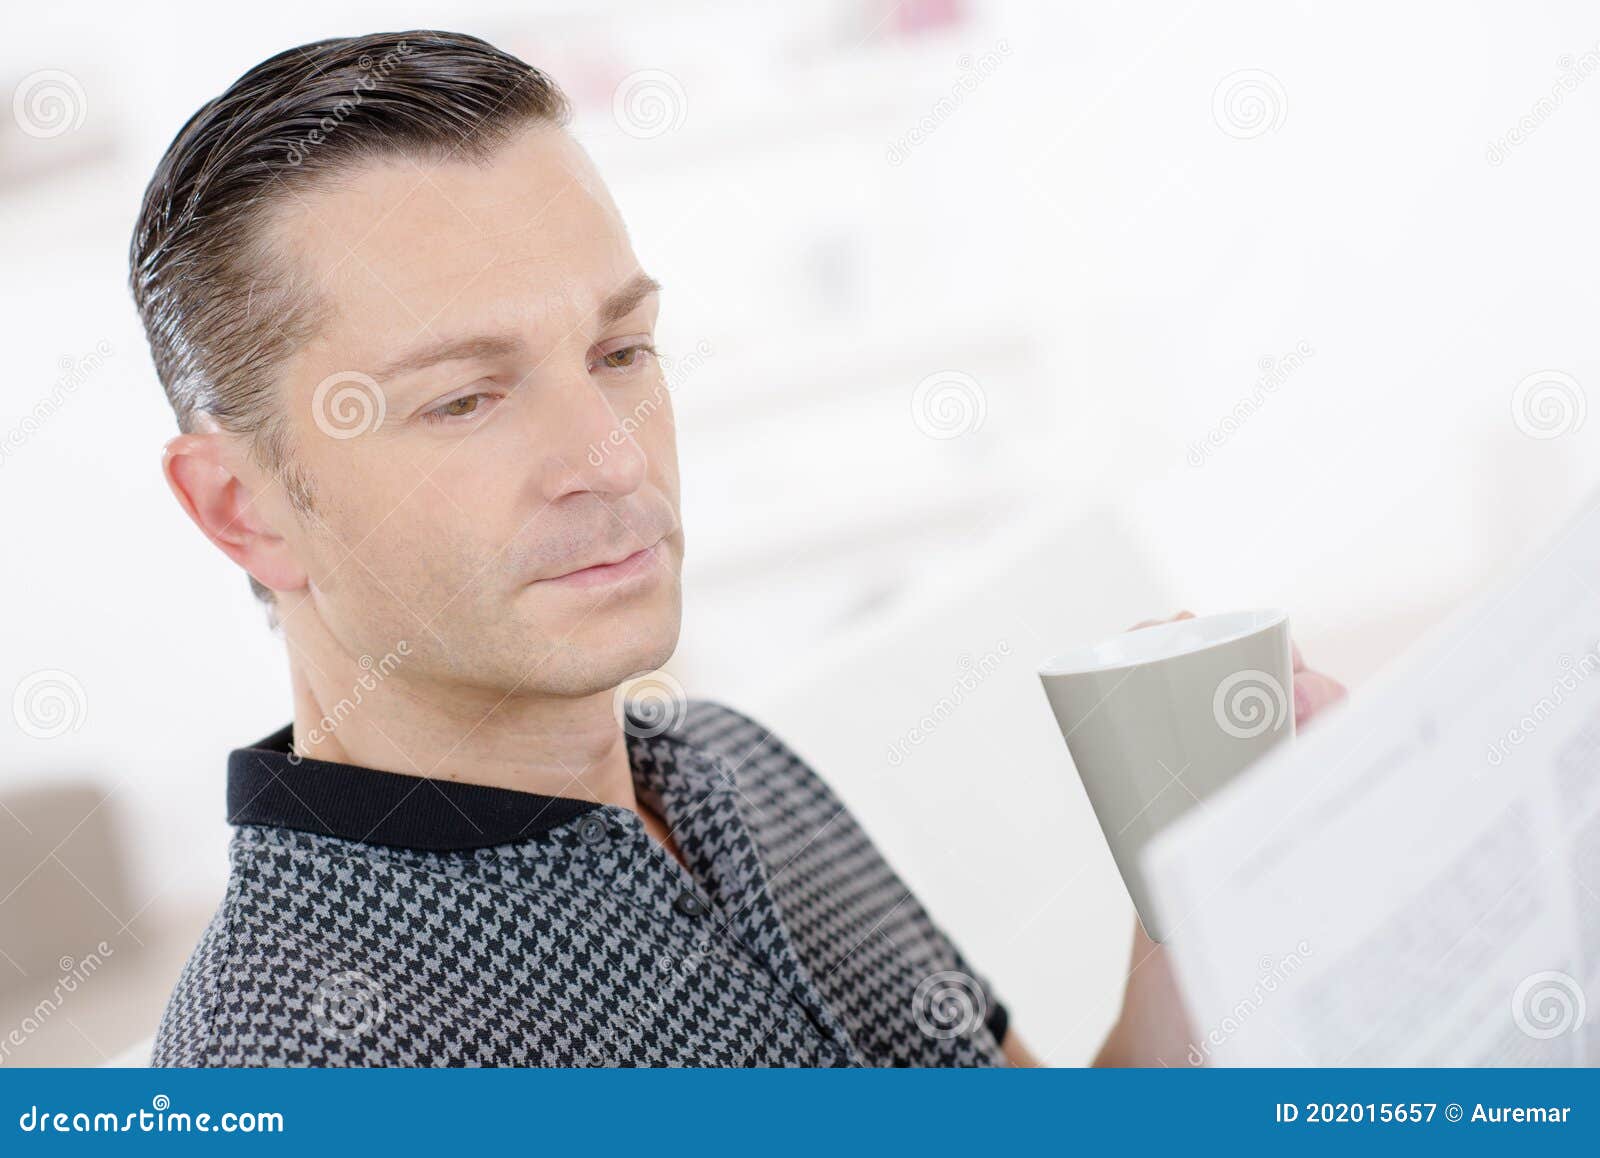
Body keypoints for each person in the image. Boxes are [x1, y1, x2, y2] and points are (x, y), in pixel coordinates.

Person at [132, 30, 1346, 1067]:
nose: (614, 461)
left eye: (620, 351)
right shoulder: (289, 1065)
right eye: (464, 398)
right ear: (243, 509)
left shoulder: (730, 769)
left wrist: (1194, 941)